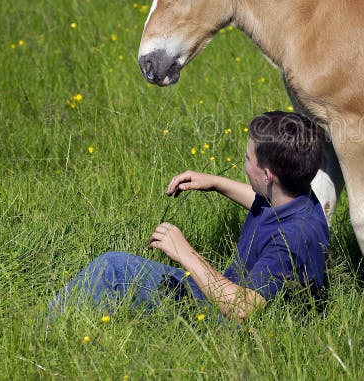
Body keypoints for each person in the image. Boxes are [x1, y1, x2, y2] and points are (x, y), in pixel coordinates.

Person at [50, 111, 329, 322]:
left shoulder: (291, 240)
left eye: (247, 159)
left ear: (268, 175)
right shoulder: (298, 195)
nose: (243, 165)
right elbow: (265, 201)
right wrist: (216, 183)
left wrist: (185, 252)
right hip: (228, 293)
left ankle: (48, 330)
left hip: (224, 310)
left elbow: (244, 310)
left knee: (111, 268)